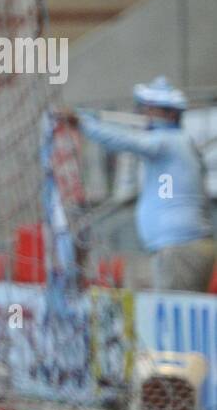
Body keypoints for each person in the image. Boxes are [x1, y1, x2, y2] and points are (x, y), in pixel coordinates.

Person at [60, 76, 214, 292]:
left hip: (180, 250)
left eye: (150, 109)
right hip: (177, 248)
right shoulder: (175, 143)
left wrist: (83, 123)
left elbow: (126, 140)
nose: (143, 114)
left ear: (170, 113)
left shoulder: (168, 141)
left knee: (169, 321)